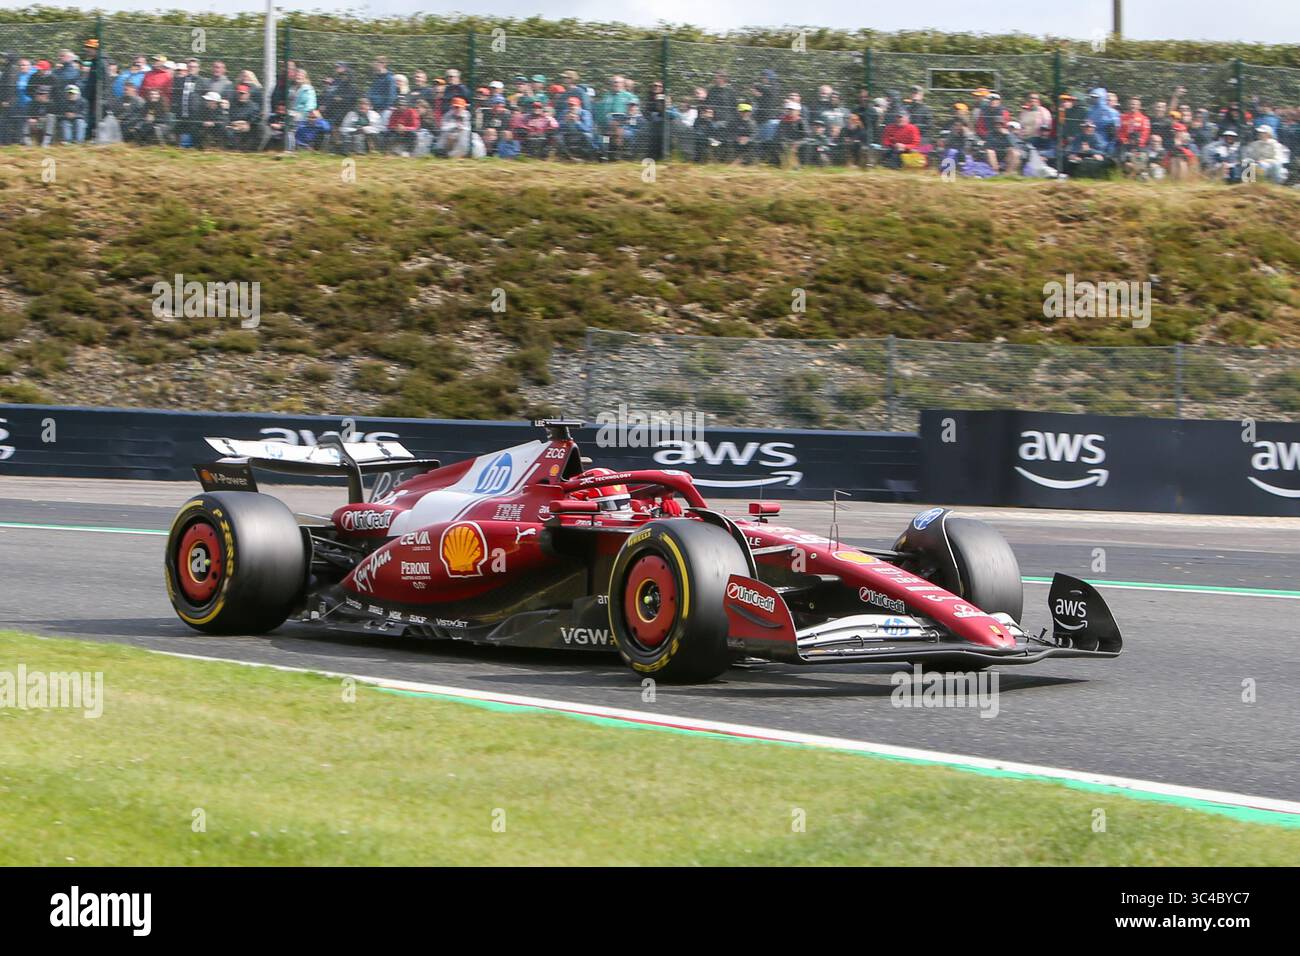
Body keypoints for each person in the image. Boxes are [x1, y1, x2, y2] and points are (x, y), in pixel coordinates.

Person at [225, 85, 261, 150]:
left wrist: (248, 123)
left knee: (257, 128)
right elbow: (229, 116)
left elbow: (256, 117)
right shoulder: (233, 104)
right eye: (239, 93)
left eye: (243, 94)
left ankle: (250, 149)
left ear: (248, 94)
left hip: (248, 126)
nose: (241, 95)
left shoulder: (254, 105)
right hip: (234, 125)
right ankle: (234, 149)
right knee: (228, 130)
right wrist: (233, 124)